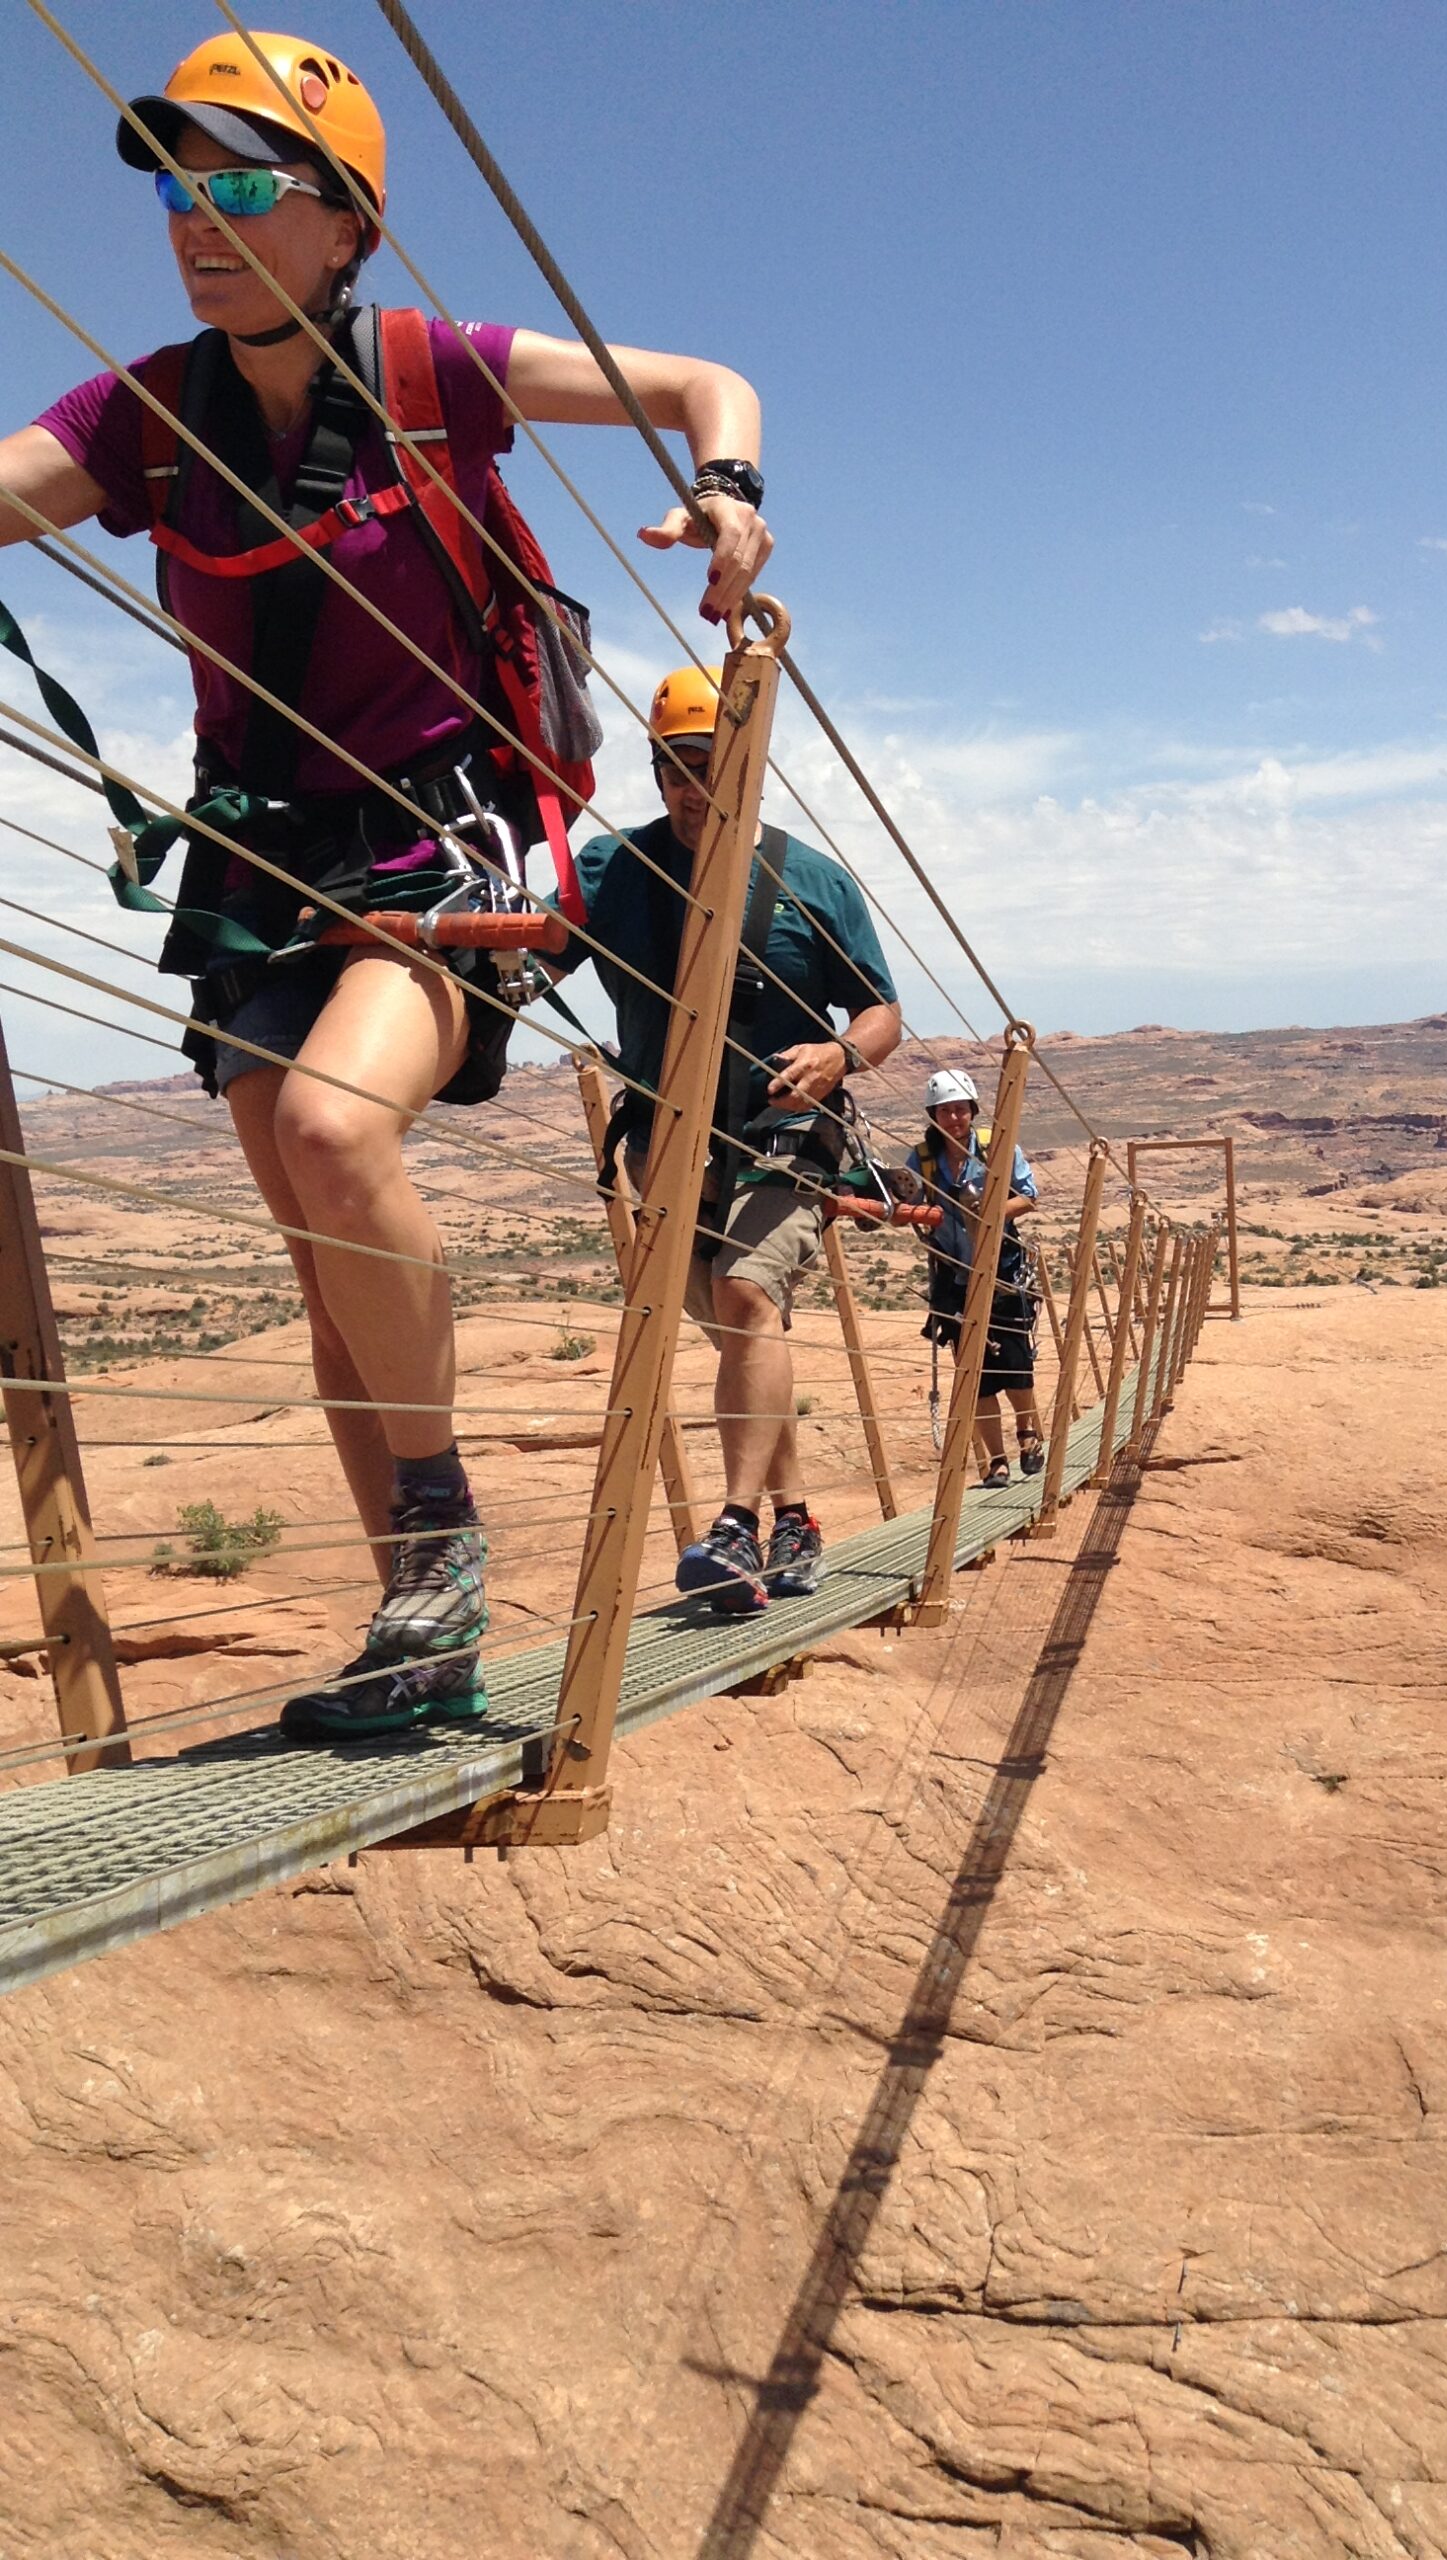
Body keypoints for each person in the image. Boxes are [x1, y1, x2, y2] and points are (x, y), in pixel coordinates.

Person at [0, 30, 773, 1739]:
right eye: (174, 182)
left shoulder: (433, 369)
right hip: (263, 851)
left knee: (335, 1135)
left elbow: (706, 383)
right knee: (316, 1240)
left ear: (346, 225)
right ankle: (416, 1634)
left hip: (452, 835)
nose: (198, 217)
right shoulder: (141, 417)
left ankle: (442, 1541)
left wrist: (724, 489)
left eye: (246, 182)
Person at [565, 665, 903, 1614]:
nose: (688, 782)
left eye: (708, 762)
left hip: (783, 1136)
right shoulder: (610, 871)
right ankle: (797, 1514)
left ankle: (735, 1528)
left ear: (747, 767)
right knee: (737, 1338)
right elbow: (528, 943)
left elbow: (882, 1011)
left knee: (746, 1298)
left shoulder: (812, 880)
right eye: (673, 762)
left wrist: (841, 1054)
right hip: (666, 1145)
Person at [910, 1069, 1045, 1485]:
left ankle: (1028, 1434)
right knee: (978, 1372)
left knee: (1016, 1363)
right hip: (954, 1276)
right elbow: (912, 1201)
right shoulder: (923, 1160)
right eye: (945, 1111)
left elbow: (1028, 1197)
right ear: (934, 1115)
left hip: (1003, 1269)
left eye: (960, 1110)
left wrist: (987, 1214)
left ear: (972, 1111)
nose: (954, 1118)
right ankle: (997, 1460)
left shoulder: (996, 1149)